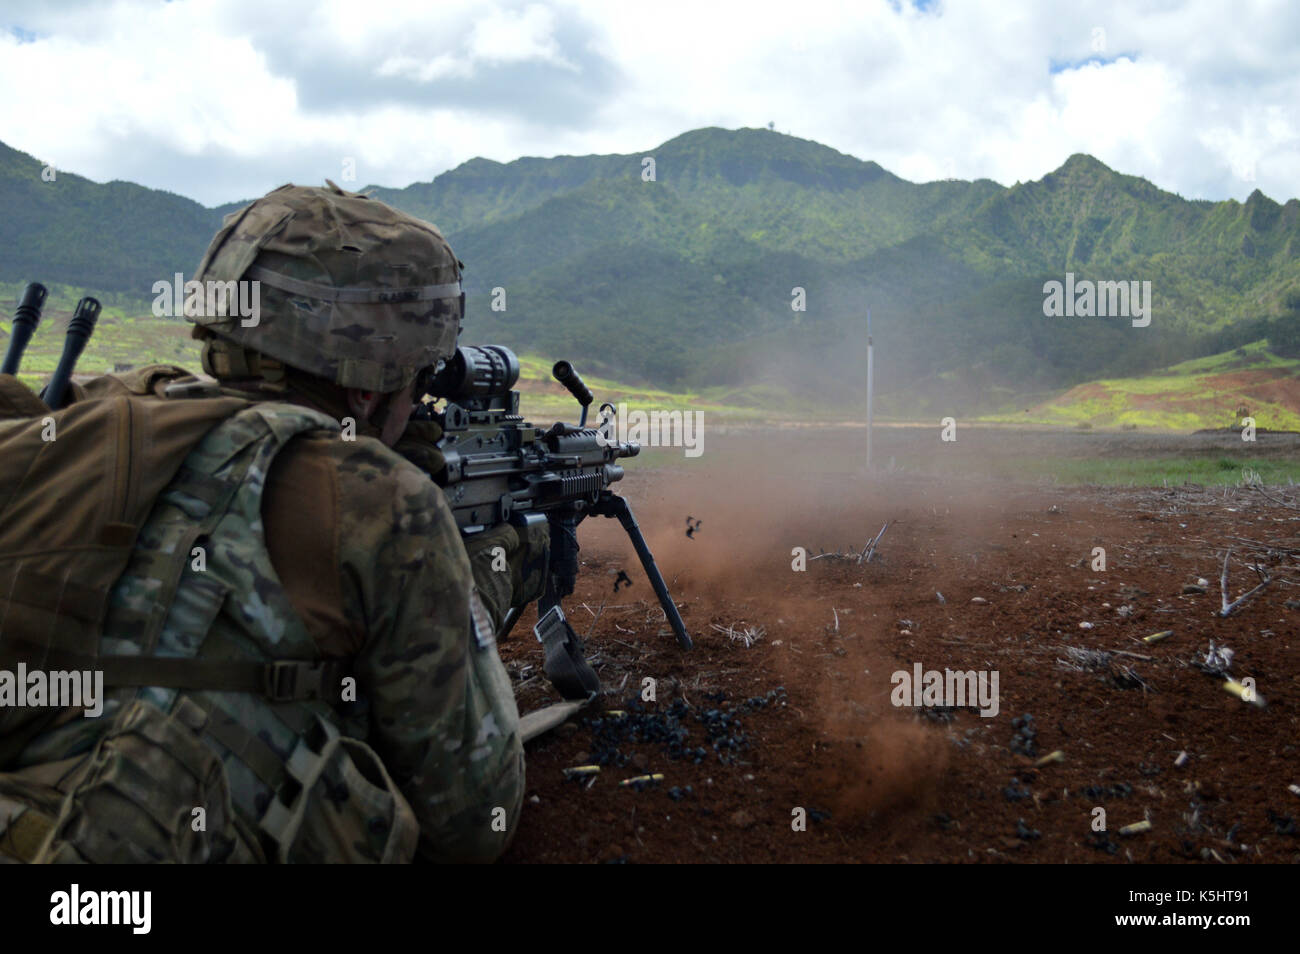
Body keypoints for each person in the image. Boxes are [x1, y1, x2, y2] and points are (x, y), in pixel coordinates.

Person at [0, 182, 538, 863]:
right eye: (418, 380)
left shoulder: (91, 420)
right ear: (369, 385)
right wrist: (489, 574)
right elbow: (475, 820)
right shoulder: (380, 501)